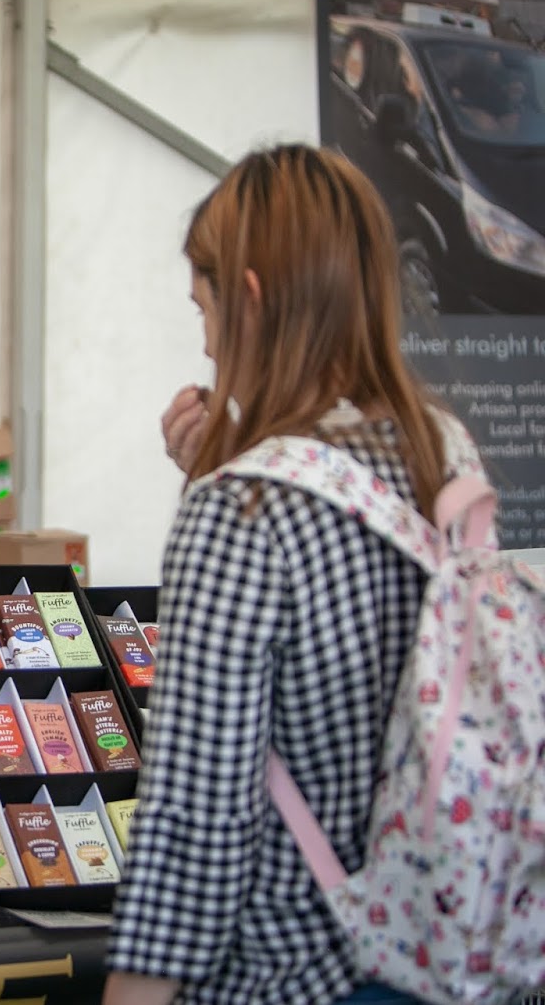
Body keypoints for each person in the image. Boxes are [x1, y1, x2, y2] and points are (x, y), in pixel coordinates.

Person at [109, 144, 487, 1005]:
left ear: (247, 297)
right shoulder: (445, 450)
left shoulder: (240, 510)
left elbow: (196, 823)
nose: (203, 339)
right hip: (437, 953)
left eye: (202, 306)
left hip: (290, 975)